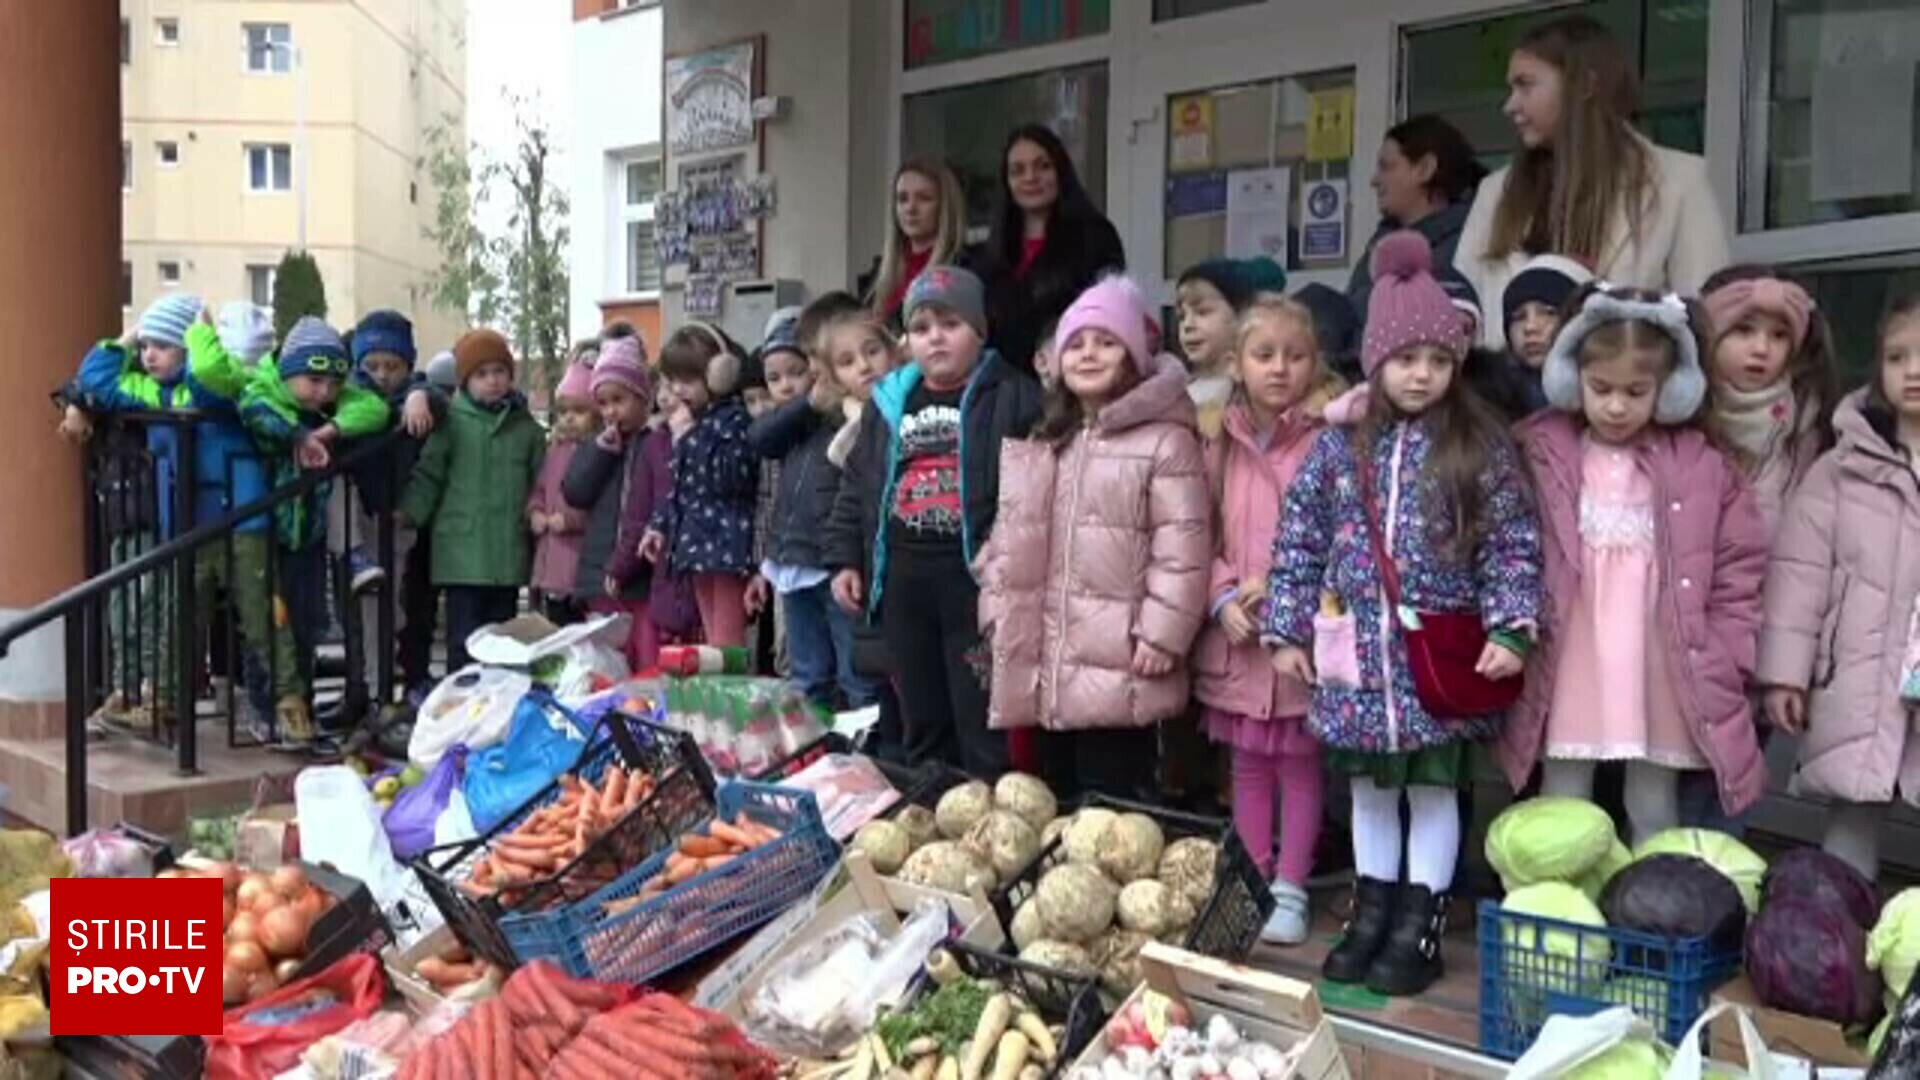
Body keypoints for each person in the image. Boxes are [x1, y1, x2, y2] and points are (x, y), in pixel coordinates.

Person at [1266, 232, 1541, 996]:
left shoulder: (1478, 445)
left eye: (1439, 360)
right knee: (1370, 791)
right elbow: (1299, 538)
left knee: (1431, 789)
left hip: (1436, 661)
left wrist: (1512, 627)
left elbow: (1512, 544)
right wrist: (1285, 627)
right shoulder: (1338, 446)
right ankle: (1372, 909)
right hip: (1359, 661)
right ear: (1374, 360)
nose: (1421, 376)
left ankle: (1420, 921)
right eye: (1405, 359)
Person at [1496, 284, 1768, 845]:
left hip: (1661, 659)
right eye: (1601, 388)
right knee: (1564, 793)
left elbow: (1738, 568)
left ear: (1670, 392)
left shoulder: (1702, 466)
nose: (1616, 406)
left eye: (1636, 391)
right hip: (1570, 650)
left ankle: (1650, 914)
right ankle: (1565, 914)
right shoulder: (1538, 450)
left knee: (1653, 799)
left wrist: (1727, 650)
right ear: (1572, 379)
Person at [977, 275, 1209, 800]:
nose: (1088, 354)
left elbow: (1184, 546)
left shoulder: (1165, 440)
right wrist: (994, 606)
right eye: (1075, 343)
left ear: (1134, 357)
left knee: (1113, 796)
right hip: (1049, 652)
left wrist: (1162, 634)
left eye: (1107, 342)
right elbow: (1010, 535)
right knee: (1052, 790)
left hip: (1120, 653)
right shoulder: (1050, 437)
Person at [827, 266, 1042, 774]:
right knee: (921, 710)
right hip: (904, 578)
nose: (935, 338)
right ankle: (931, 810)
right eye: (921, 328)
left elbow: (1032, 490)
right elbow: (857, 484)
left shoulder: (1012, 395)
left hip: (972, 581)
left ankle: (985, 815)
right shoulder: (888, 403)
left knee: (978, 712)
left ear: (980, 330)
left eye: (951, 324)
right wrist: (843, 558)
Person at [64, 295, 298, 736]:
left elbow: (211, 375)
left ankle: (288, 699)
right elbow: (96, 379)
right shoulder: (152, 390)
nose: (150, 355)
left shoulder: (218, 381)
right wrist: (128, 338)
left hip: (242, 521)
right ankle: (166, 701)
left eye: (162, 346)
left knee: (261, 615)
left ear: (189, 348)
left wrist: (198, 331)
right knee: (178, 620)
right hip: (188, 526)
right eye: (147, 346)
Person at [1191, 294, 1342, 945]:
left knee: (1301, 764)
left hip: (1297, 634)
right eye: (1264, 355)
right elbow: (1200, 529)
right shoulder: (1215, 438)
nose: (1280, 368)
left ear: (1315, 363)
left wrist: (1280, 589)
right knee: (1248, 764)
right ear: (1237, 363)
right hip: (1240, 636)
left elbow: (1339, 535)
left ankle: (1291, 887)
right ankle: (1252, 879)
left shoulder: (1327, 439)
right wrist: (1222, 595)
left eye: (1296, 355)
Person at [1757, 292, 1920, 881]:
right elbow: (1799, 576)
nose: (1913, 371)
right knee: (1854, 809)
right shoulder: (1842, 468)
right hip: (1859, 670)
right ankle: (1839, 933)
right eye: (1898, 357)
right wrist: (1784, 672)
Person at [1455, 14, 1729, 349]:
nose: (1509, 105)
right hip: (1508, 399)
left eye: (1525, 85)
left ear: (1584, 85)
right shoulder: (1495, 193)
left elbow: (1705, 324)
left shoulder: (1679, 181)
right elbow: (1463, 323)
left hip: (1630, 397)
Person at [238, 316, 392, 745]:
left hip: (307, 537)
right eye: (313, 380)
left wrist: (328, 429)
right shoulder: (265, 391)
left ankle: (300, 706)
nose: (324, 392)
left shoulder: (329, 406)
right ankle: (266, 709)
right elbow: (254, 409)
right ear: (288, 372)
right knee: (268, 623)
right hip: (264, 532)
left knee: (305, 622)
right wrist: (298, 435)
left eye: (332, 384)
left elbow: (375, 408)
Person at [748, 311, 875, 710]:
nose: (786, 385)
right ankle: (814, 755)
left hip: (834, 565)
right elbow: (759, 439)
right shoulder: (793, 422)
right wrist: (806, 403)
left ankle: (865, 753)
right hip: (792, 562)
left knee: (856, 674)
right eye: (775, 377)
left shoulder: (847, 416)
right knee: (807, 674)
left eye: (797, 372)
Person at [399, 328, 543, 674]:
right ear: (465, 380)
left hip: (508, 552)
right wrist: (409, 513)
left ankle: (499, 707)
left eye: (499, 372)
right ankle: (461, 709)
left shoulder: (527, 430)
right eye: (481, 374)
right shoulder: (451, 423)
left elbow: (541, 482)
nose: (492, 381)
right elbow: (430, 473)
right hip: (462, 554)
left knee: (503, 640)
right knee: (463, 640)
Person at [640, 323, 760, 648]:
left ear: (719, 374)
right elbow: (680, 487)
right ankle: (717, 691)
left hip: (726, 547)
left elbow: (731, 477)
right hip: (695, 546)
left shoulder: (733, 421)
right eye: (673, 381)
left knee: (727, 638)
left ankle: (731, 691)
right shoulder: (697, 422)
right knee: (711, 634)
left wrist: (690, 437)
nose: (679, 390)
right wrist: (659, 526)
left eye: (688, 381)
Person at [1701, 266, 1837, 537]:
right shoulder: (1680, 420)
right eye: (1743, 330)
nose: (1761, 348)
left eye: (1779, 335)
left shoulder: (1809, 431)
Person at [979, 125, 1125, 374]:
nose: (1030, 177)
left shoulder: (1095, 237)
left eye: (1043, 166)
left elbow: (1109, 315)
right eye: (1017, 170)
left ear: (1061, 172)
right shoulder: (991, 251)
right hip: (1004, 391)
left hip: (1072, 380)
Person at [568, 336, 668, 670]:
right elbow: (575, 493)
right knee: (605, 664)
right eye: (603, 403)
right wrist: (599, 454)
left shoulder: (655, 443)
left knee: (645, 656)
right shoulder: (597, 446)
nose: (611, 411)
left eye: (619, 400)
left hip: (642, 578)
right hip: (600, 575)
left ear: (642, 398)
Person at [1349, 115, 1487, 317]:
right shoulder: (1380, 241)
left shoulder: (1465, 246)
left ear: (1425, 169)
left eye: (1387, 166)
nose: (1375, 180)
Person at [1177, 257, 1288, 440]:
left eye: (1202, 312)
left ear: (1241, 316)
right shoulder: (1176, 393)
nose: (1188, 325)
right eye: (1181, 316)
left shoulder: (1259, 393)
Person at [528, 360, 596, 626]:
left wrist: (570, 520)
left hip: (579, 563)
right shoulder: (556, 450)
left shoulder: (596, 453)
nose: (569, 417)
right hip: (552, 563)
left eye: (579, 410)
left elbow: (602, 508)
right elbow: (540, 489)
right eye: (564, 411)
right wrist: (535, 511)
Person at [869, 160, 969, 328]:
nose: (910, 208)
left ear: (944, 206)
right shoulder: (879, 276)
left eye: (924, 198)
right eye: (902, 199)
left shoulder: (964, 271)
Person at [1496, 254, 1593, 417]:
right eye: (1519, 317)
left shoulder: (1605, 391)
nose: (1530, 327)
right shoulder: (1490, 401)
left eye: (1548, 312)